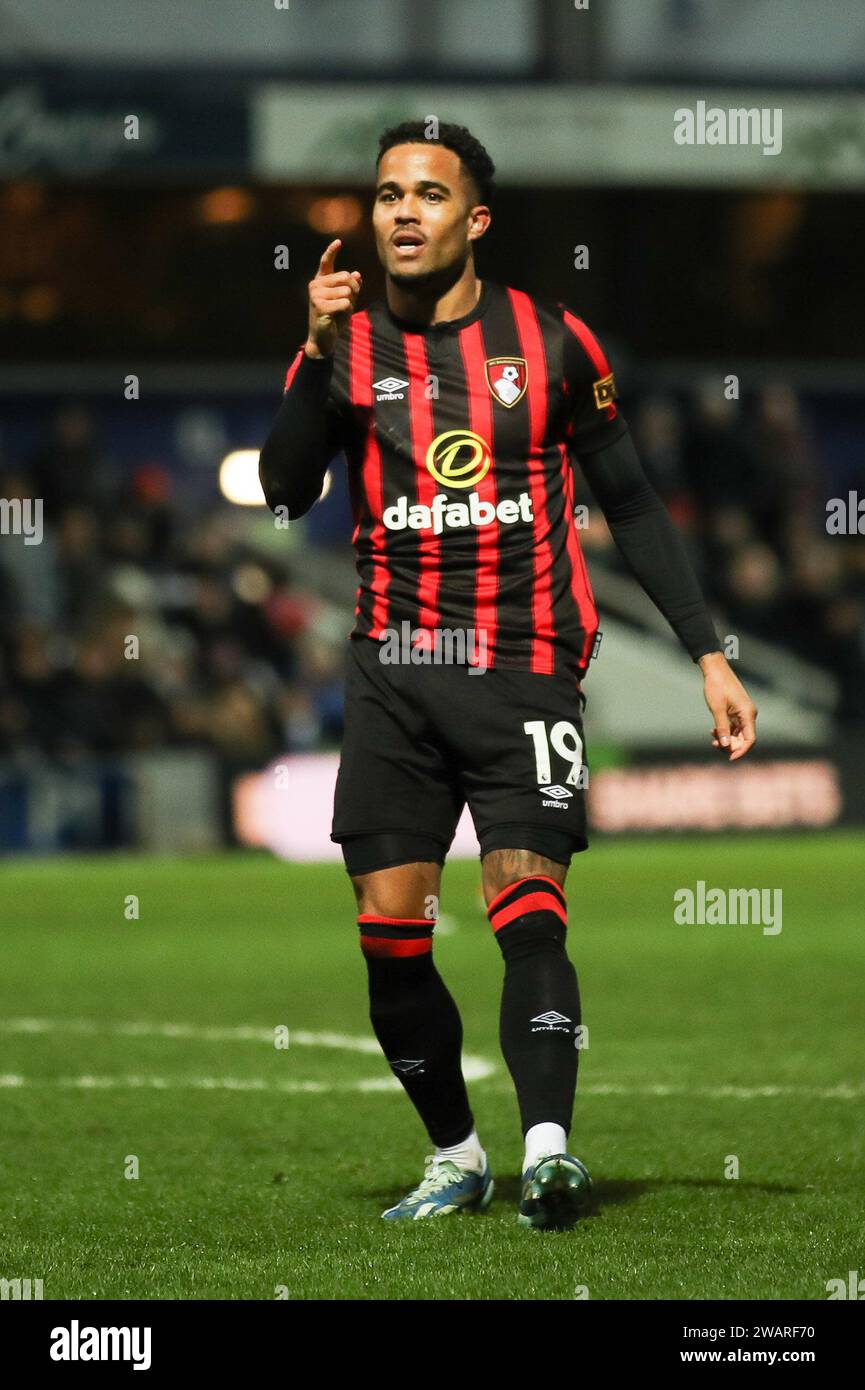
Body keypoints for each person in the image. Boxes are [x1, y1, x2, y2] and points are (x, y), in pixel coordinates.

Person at [259, 121, 758, 1229]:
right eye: (386, 193)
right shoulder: (339, 346)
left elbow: (627, 499)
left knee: (527, 912)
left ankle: (547, 1152)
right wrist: (310, 350)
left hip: (523, 665)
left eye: (427, 195)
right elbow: (286, 490)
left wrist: (705, 651)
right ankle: (454, 1154)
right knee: (391, 938)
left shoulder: (553, 341)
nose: (400, 212)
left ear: (473, 219)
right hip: (393, 672)